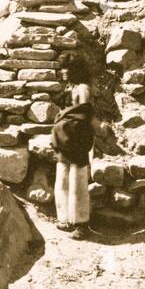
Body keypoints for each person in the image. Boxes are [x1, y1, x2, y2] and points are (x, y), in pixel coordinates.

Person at [51, 57, 109, 237]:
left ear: (77, 70)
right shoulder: (71, 87)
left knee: (77, 181)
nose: (64, 72)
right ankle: (66, 219)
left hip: (76, 139)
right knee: (63, 179)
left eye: (67, 68)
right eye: (63, 69)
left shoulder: (83, 89)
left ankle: (82, 224)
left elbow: (83, 113)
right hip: (65, 139)